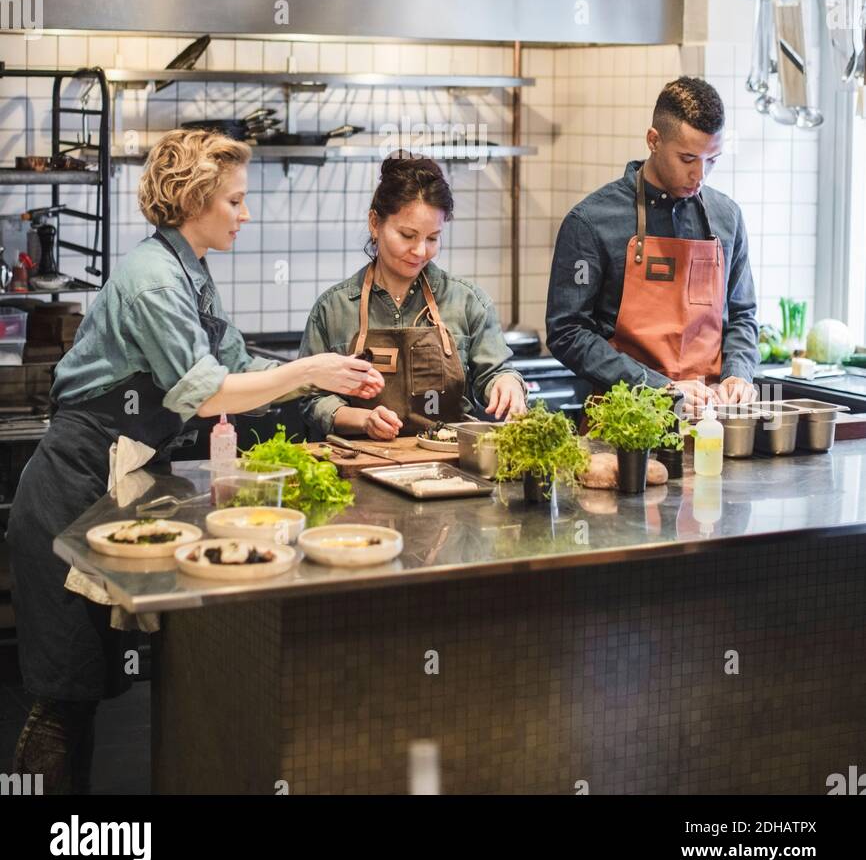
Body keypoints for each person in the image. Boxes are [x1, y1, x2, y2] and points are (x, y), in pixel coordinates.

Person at [8, 129, 383, 793]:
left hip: (113, 488)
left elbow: (235, 366)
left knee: (87, 688)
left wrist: (327, 382)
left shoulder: (189, 271)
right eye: (236, 201)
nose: (246, 214)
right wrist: (311, 367)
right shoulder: (153, 277)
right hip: (70, 494)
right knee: (61, 699)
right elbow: (209, 394)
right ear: (195, 197)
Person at [546, 77, 759, 416]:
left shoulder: (727, 217)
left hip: (709, 425)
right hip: (624, 424)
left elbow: (743, 315)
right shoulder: (590, 221)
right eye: (687, 158)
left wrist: (738, 373)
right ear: (653, 140)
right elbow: (568, 332)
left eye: (712, 159)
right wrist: (659, 388)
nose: (700, 175)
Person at [298, 155, 527, 439]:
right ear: (374, 223)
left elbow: (493, 373)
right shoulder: (333, 308)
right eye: (407, 235)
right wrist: (365, 420)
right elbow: (312, 398)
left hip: (449, 468)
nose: (420, 251)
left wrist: (506, 383)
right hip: (360, 464)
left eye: (432, 238)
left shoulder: (468, 302)